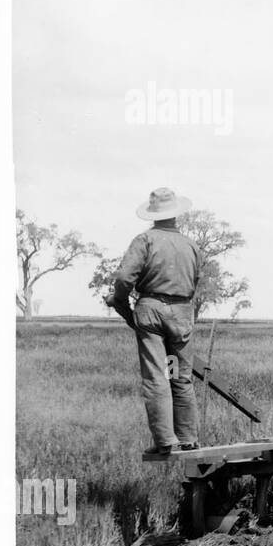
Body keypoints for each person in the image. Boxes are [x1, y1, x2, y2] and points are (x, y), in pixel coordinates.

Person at [106, 188, 204, 454]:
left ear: (153, 215)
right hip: (182, 315)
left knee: (157, 377)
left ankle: (166, 441)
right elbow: (194, 282)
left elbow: (125, 278)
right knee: (179, 376)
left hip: (151, 313)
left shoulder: (145, 240)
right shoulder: (191, 245)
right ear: (176, 215)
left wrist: (119, 299)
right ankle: (187, 438)